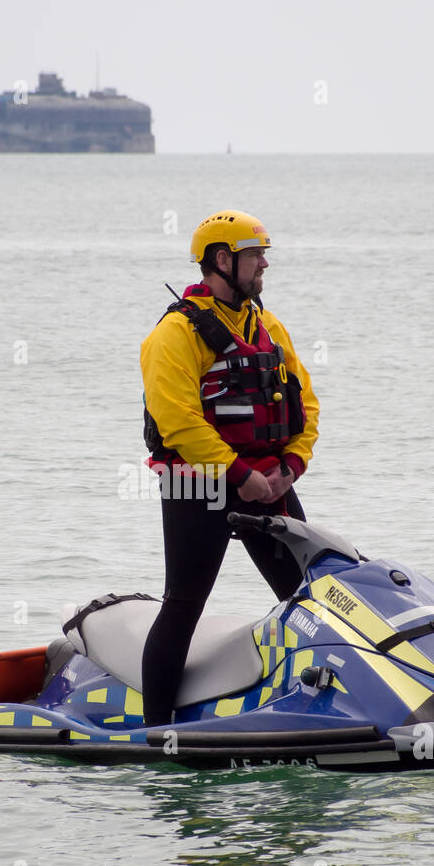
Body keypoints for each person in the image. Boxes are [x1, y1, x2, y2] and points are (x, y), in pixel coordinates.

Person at [139, 209, 320, 727]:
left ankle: (325, 705)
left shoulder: (268, 326)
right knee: (184, 604)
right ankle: (157, 733)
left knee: (308, 601)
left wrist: (290, 465)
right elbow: (179, 423)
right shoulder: (173, 335)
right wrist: (241, 476)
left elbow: (307, 404)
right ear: (223, 259)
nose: (265, 263)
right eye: (256, 254)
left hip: (270, 484)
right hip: (197, 487)